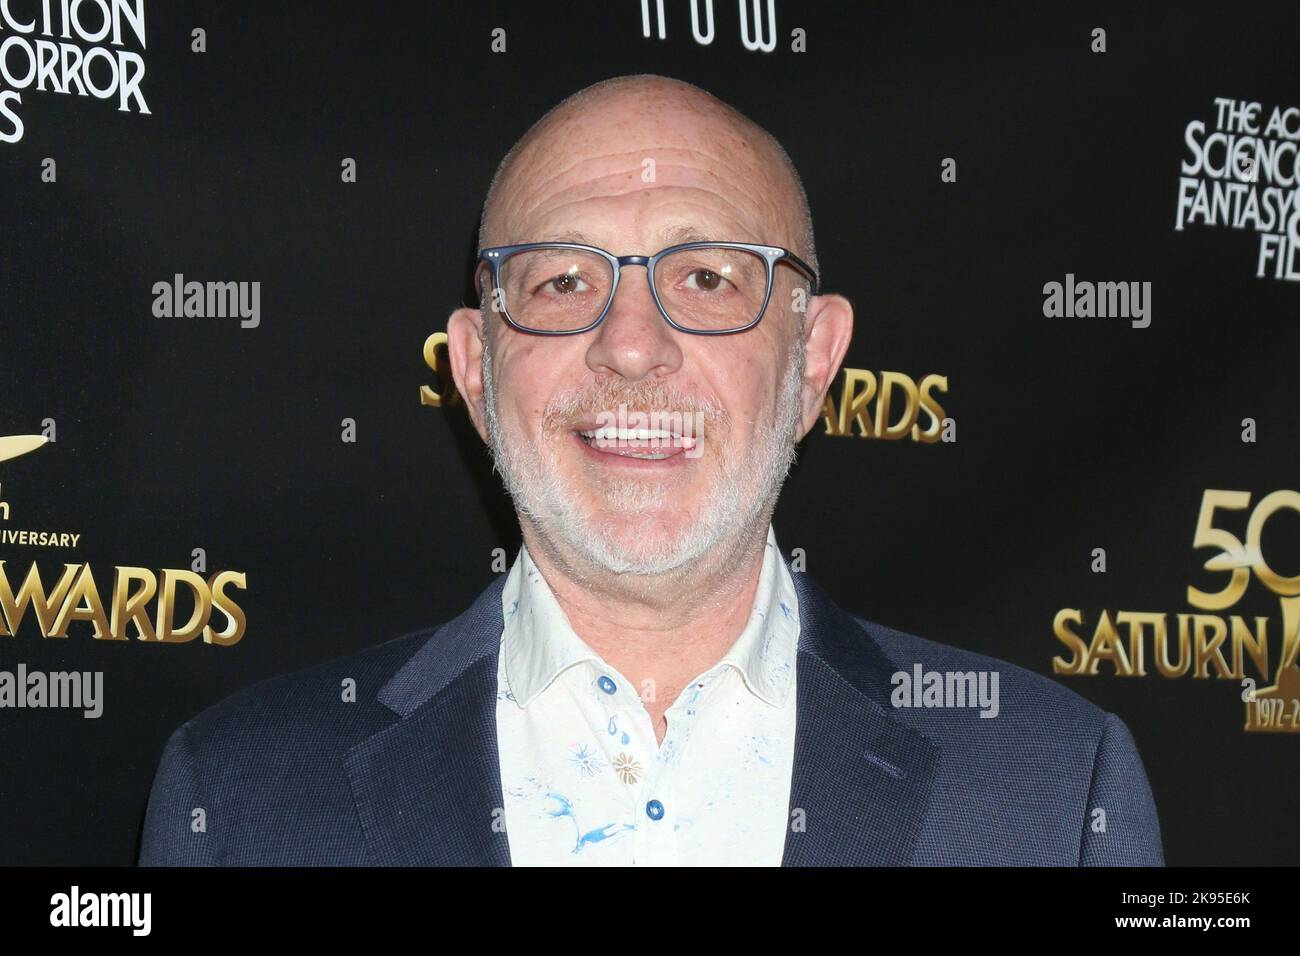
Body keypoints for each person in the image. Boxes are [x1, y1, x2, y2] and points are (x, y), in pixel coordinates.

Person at [139, 73, 1163, 866]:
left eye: (708, 278)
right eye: (563, 278)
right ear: (475, 370)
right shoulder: (240, 798)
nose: (631, 344)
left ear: (812, 360)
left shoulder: (1055, 788)